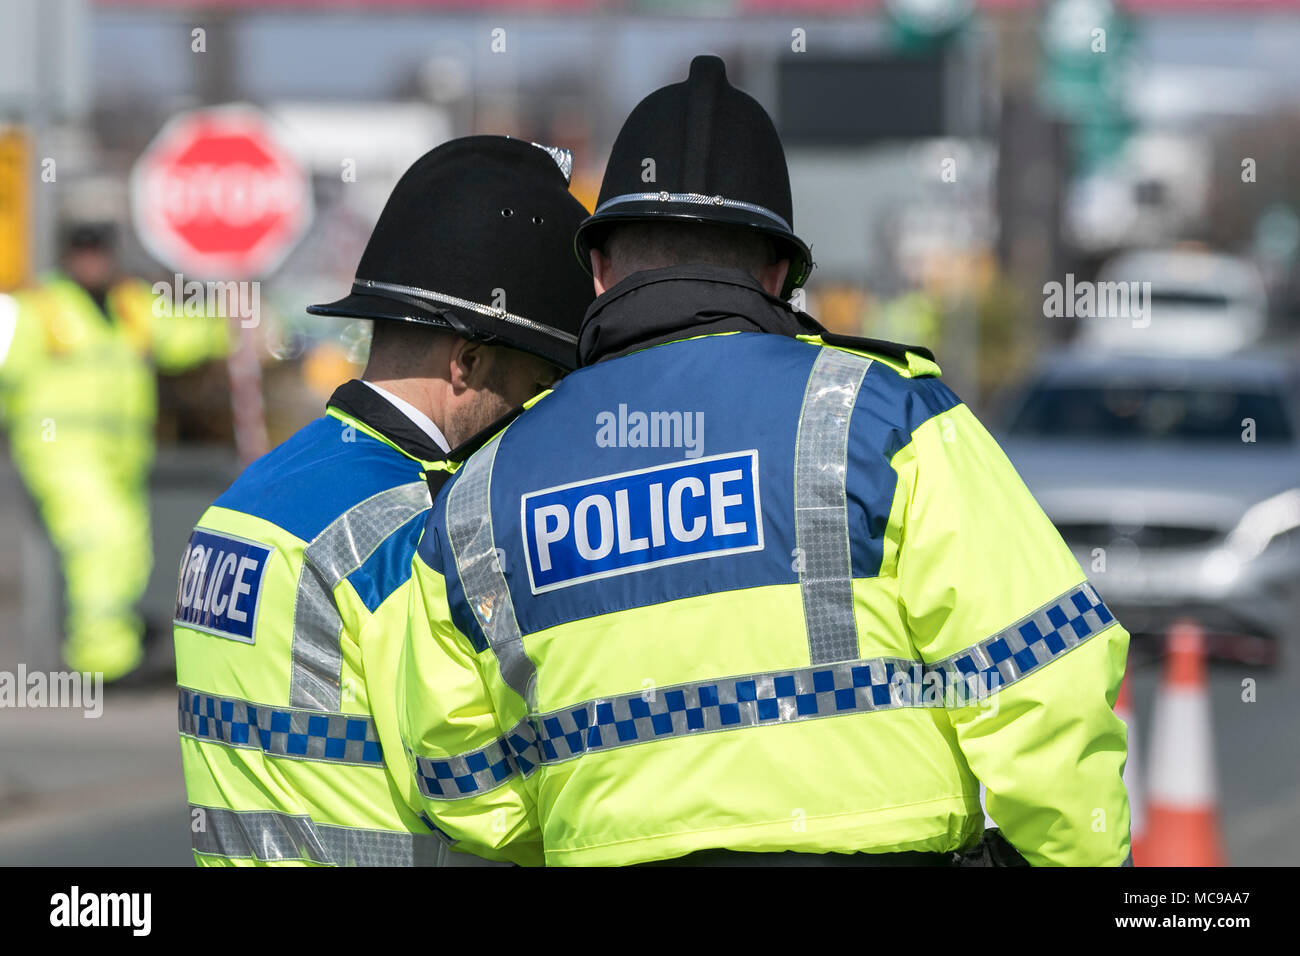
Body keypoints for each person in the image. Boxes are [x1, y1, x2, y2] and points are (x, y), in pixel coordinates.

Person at [397, 57, 1132, 867]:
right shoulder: (884, 417)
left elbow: (461, 779)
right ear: (778, 272)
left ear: (599, 269)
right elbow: (1042, 680)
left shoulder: (482, 490)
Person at [172, 136, 594, 866]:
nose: (535, 410)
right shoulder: (405, 533)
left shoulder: (243, 503)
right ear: (467, 361)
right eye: (535, 380)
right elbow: (482, 801)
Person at [0, 221, 226, 682]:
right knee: (100, 539)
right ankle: (101, 661)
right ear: (65, 255)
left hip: (122, 456)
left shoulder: (130, 306)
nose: (92, 258)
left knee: (129, 550)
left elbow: (181, 339)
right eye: (82, 248)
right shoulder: (36, 309)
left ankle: (117, 647)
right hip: (60, 451)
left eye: (100, 248)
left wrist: (230, 328)